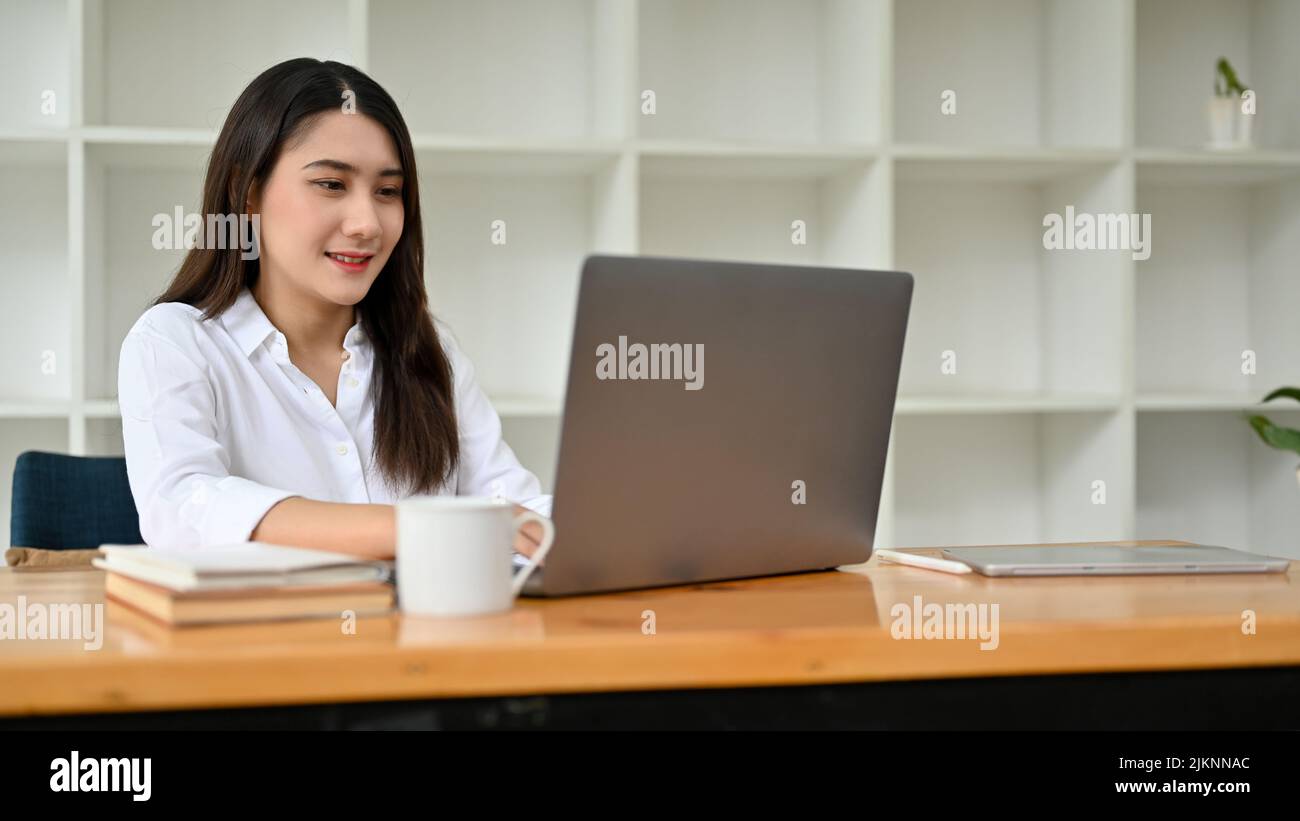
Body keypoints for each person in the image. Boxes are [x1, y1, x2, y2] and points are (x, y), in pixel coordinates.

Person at [118, 58, 550, 561]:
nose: (367, 223)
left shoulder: (428, 349)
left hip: (426, 639)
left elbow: (512, 506)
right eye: (331, 184)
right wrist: (426, 528)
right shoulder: (176, 341)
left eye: (388, 192)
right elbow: (184, 509)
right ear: (248, 193)